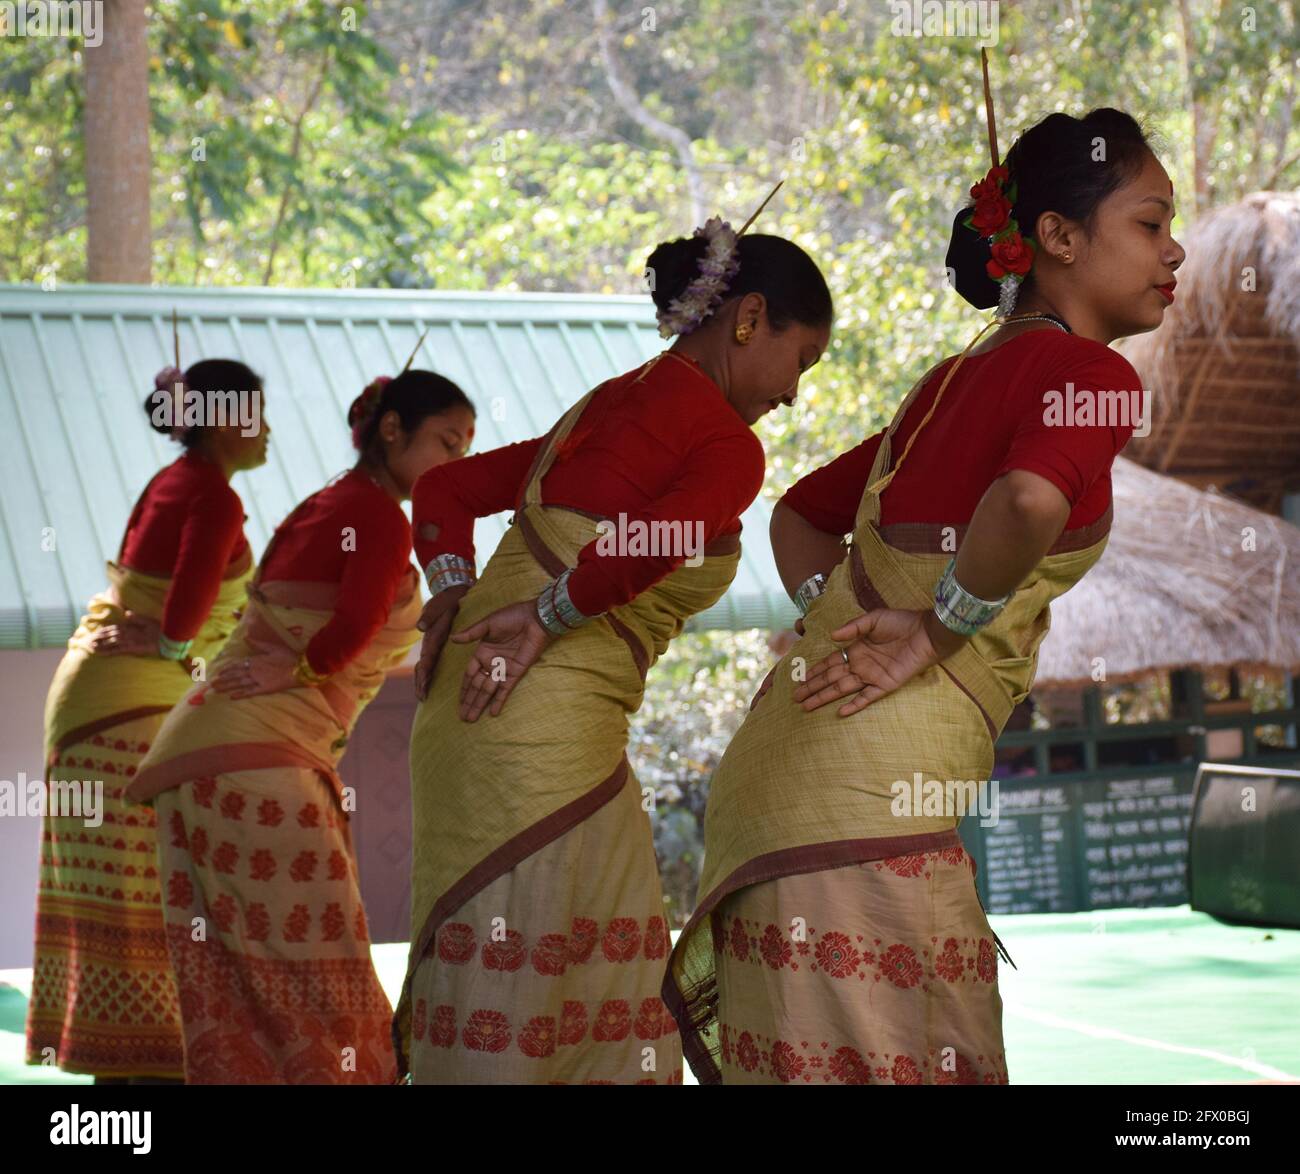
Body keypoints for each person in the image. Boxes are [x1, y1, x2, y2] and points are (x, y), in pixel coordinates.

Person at [664, 107, 1184, 1084]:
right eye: (1151, 223)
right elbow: (1026, 500)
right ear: (1058, 239)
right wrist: (934, 629)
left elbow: (797, 519)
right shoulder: (1091, 374)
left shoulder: (945, 385)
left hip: (780, 792)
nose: (1176, 249)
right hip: (862, 825)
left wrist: (846, 624)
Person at [395, 219, 832, 1084]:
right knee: (590, 971)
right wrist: (547, 617)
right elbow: (657, 540)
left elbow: (443, 488)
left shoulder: (599, 406)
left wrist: (453, 591)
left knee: (509, 965)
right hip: (535, 730)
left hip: (463, 718)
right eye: (801, 361)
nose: (792, 393)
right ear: (748, 318)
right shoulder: (724, 443)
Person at [123, 369, 474, 1084]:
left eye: (468, 444)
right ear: (390, 430)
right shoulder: (373, 514)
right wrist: (304, 669)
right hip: (255, 757)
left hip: (200, 758)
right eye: (447, 440)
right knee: (323, 973)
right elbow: (356, 622)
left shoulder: (332, 501)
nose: (459, 461)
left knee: (232, 982)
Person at [27, 359, 266, 1082]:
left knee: (121, 899)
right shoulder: (216, 499)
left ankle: (119, 1076)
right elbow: (183, 618)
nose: (268, 431)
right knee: (153, 902)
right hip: (129, 707)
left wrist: (174, 648)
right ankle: (147, 1073)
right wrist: (173, 648)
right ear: (223, 417)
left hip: (90, 700)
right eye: (257, 412)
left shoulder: (170, 482)